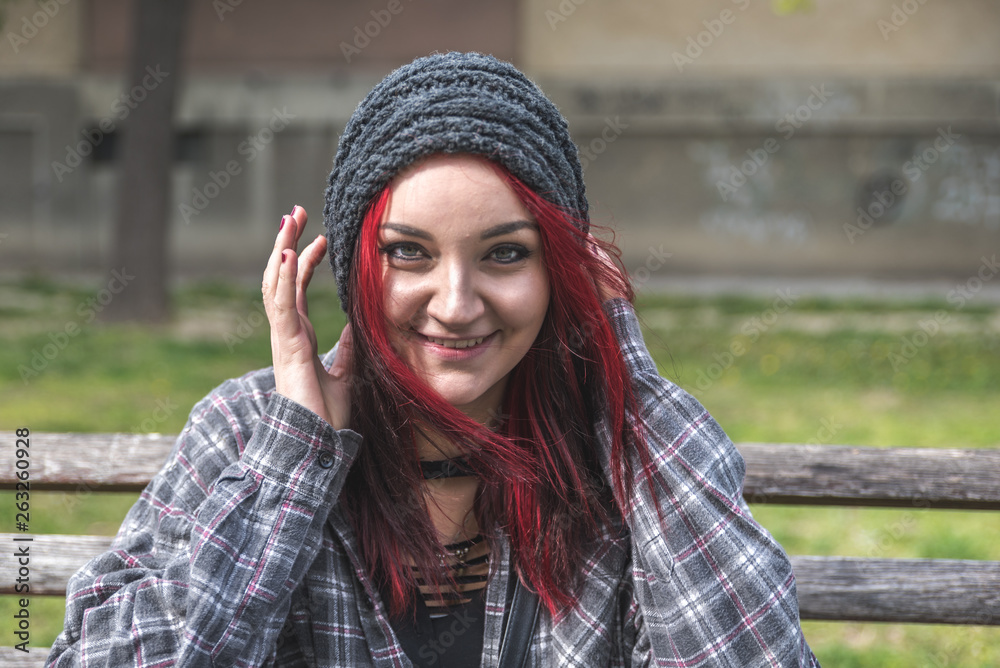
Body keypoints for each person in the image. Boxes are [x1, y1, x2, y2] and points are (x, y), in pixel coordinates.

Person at [48, 52, 819, 667]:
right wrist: (293, 461)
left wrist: (628, 388)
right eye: (408, 253)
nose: (455, 302)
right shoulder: (246, 435)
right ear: (353, 268)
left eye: (505, 254)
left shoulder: (621, 458)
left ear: (562, 271)